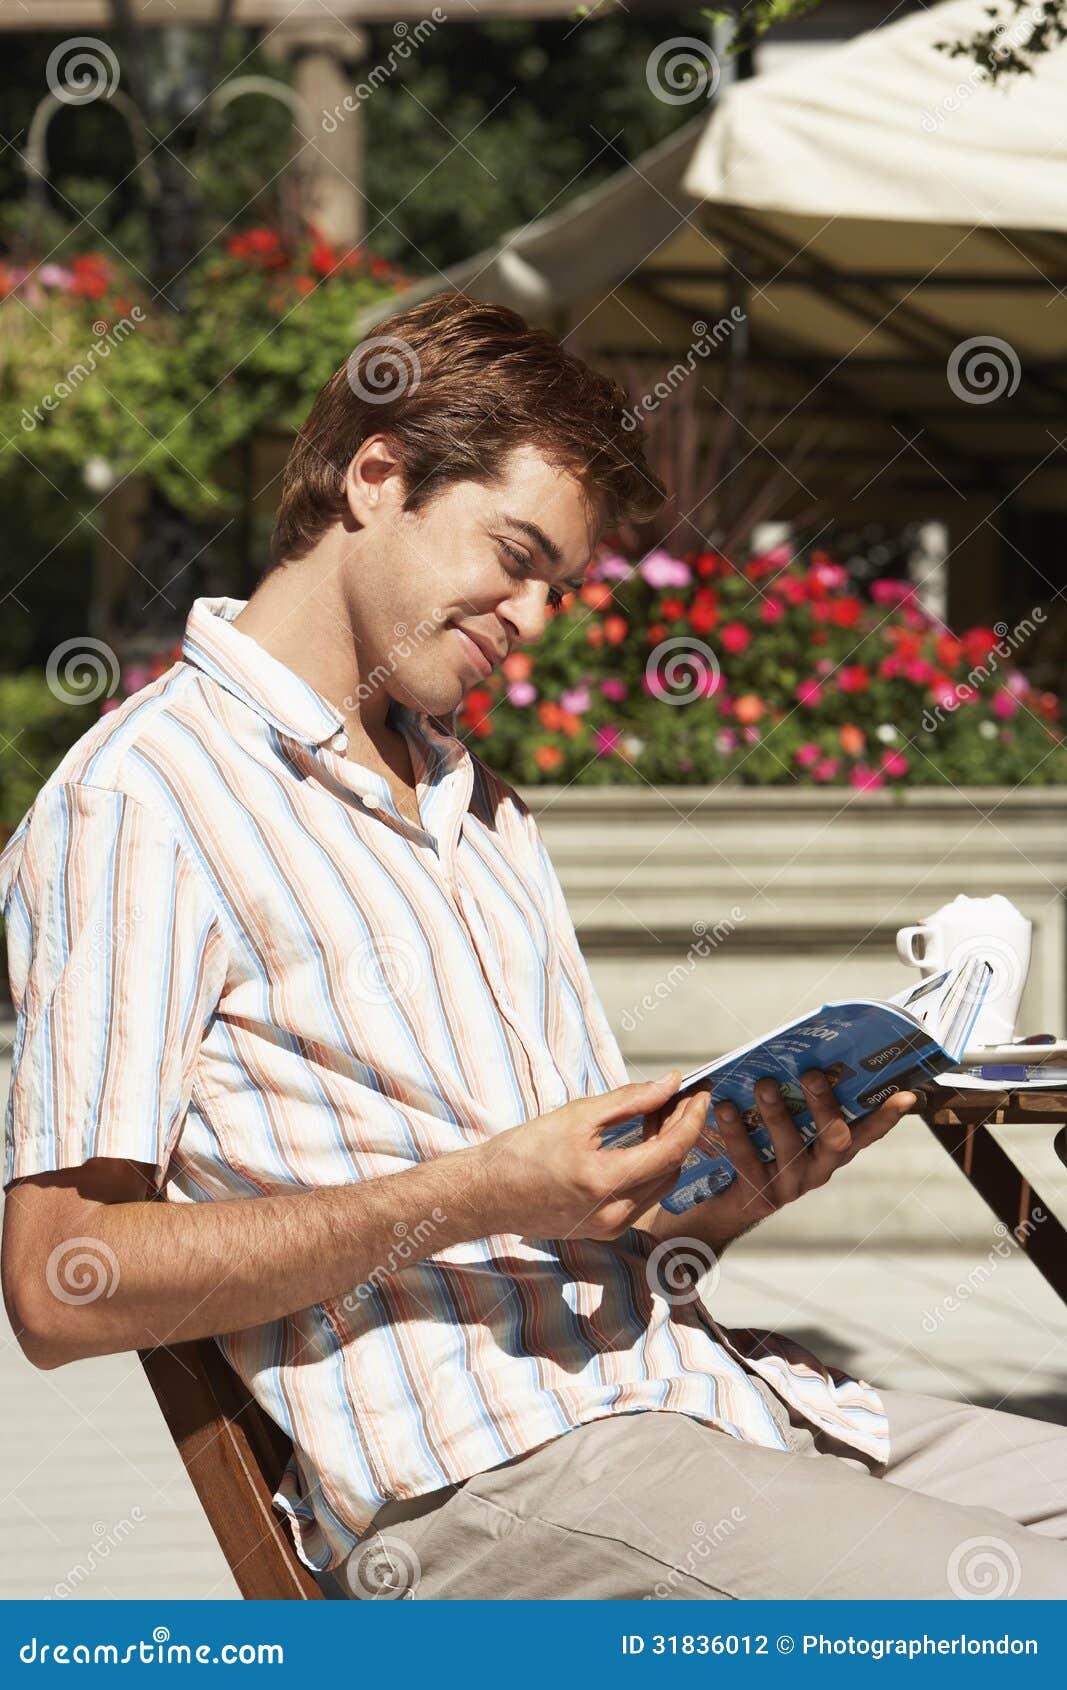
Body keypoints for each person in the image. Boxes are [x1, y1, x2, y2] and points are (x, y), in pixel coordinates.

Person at [2, 294, 1065, 1603]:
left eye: (556, 583)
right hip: (501, 1484)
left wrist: (717, 1193)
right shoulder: (142, 802)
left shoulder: (481, 806)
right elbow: (60, 1281)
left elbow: (570, 1217)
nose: (535, 621)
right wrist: (480, 1191)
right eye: (513, 556)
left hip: (712, 1394)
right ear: (375, 475)